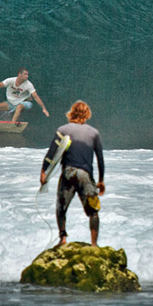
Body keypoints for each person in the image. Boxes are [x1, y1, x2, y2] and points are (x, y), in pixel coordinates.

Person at [40, 100, 106, 247]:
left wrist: (43, 172)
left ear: (72, 113)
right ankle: (94, 244)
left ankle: (63, 239)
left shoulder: (63, 130)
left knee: (61, 207)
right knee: (93, 210)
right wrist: (101, 180)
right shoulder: (94, 133)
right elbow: (100, 159)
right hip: (85, 175)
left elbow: (51, 153)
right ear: (87, 114)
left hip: (68, 173)